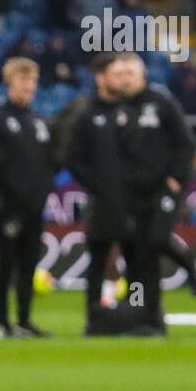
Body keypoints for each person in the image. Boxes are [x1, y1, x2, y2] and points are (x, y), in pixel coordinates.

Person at [116, 53, 196, 311]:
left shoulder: (161, 102)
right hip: (131, 191)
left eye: (130, 73)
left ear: (142, 75)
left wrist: (177, 177)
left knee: (156, 240)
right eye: (122, 74)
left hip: (163, 187)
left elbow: (187, 142)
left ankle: (187, 264)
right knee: (136, 251)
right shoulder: (118, 108)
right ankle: (140, 309)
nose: (126, 79)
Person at [68, 54, 134, 333]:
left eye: (124, 74)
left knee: (137, 262)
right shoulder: (86, 113)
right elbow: (74, 157)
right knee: (98, 261)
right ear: (101, 78)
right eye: (117, 74)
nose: (123, 79)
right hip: (101, 201)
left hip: (133, 200)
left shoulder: (133, 110)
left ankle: (137, 315)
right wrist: (96, 185)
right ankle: (94, 318)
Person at [0, 57, 55, 338]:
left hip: (34, 207)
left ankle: (24, 320)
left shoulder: (39, 121)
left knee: (28, 265)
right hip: (6, 207)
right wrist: (1, 198)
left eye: (32, 81)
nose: (29, 86)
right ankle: (2, 322)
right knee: (5, 264)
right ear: (9, 83)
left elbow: (47, 163)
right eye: (23, 80)